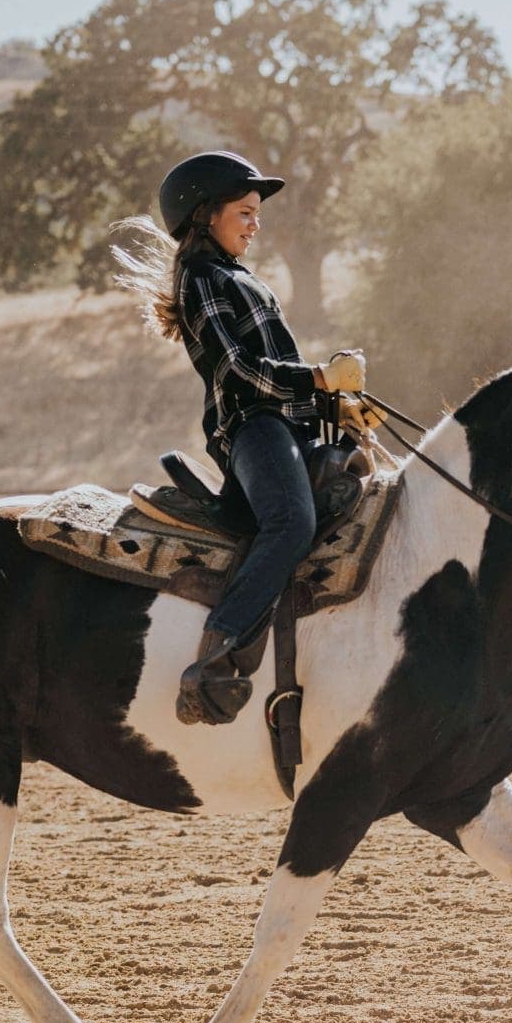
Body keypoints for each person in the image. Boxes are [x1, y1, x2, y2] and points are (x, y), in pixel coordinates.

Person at [116, 151, 365, 726]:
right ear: (206, 215)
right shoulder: (203, 278)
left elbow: (274, 372)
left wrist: (336, 404)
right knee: (291, 523)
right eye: (245, 213)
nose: (255, 224)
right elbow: (237, 370)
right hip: (254, 430)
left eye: (257, 215)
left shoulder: (238, 278)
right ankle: (216, 655)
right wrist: (320, 378)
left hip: (286, 424)